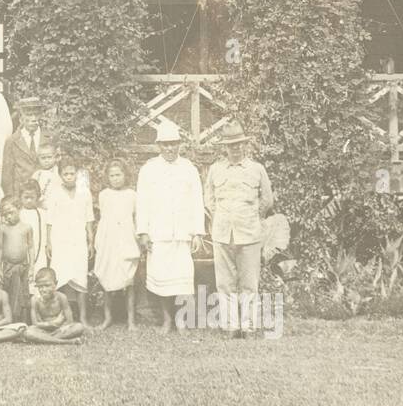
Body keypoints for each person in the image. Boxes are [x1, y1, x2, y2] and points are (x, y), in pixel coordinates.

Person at [203, 122, 273, 338]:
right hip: (223, 233)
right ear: (225, 147)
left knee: (249, 283)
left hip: (249, 233)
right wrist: (221, 218)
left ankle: (248, 326)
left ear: (244, 145)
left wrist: (252, 217)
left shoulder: (256, 169)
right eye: (231, 145)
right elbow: (209, 200)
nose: (235, 149)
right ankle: (231, 326)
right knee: (225, 283)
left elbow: (267, 200)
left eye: (238, 145)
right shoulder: (216, 169)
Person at [136, 121, 205, 335]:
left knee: (182, 280)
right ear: (158, 145)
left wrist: (197, 232)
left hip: (182, 233)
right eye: (165, 144)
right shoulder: (148, 169)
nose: (169, 148)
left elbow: (197, 201)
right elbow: (142, 202)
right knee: (163, 279)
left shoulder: (188, 169)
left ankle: (181, 320)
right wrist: (144, 231)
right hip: (159, 233)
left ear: (179, 144)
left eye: (173, 144)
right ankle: (166, 320)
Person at [93, 159, 141, 330]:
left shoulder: (132, 195)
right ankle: (107, 318)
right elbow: (104, 219)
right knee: (106, 278)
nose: (115, 178)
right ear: (107, 177)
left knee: (129, 281)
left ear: (125, 175)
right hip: (109, 241)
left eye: (118, 175)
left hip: (126, 240)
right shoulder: (104, 194)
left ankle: (131, 321)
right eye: (112, 175)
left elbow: (135, 218)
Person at [45, 160, 95, 325]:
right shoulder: (54, 193)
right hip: (60, 240)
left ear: (77, 174)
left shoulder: (84, 192)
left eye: (72, 173)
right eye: (65, 174)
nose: (69, 177)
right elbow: (49, 220)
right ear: (60, 176)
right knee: (60, 276)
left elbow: (89, 218)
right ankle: (60, 317)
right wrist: (48, 242)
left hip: (78, 240)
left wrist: (90, 241)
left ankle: (83, 319)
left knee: (80, 278)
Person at [0, 97, 48, 199]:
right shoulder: (12, 141)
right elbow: (7, 176)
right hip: (21, 196)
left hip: (46, 194)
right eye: (29, 115)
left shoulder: (50, 138)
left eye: (36, 114)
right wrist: (11, 198)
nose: (33, 119)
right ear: (21, 117)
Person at [0, 196, 34, 322]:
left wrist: (32, 266)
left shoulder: (26, 228)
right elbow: (1, 249)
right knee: (8, 294)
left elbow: (31, 248)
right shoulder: (3, 228)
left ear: (19, 208)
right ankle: (9, 321)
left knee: (22, 294)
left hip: (22, 267)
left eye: (11, 213)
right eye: (5, 215)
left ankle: (22, 322)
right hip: (8, 267)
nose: (8, 217)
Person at [23, 267, 85, 345]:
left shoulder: (61, 297)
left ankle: (44, 340)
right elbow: (35, 323)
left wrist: (62, 327)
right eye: (40, 286)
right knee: (28, 332)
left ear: (55, 284)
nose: (43, 290)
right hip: (43, 330)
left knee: (79, 327)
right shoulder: (35, 300)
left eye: (47, 285)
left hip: (59, 330)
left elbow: (70, 321)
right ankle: (67, 342)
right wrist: (54, 323)